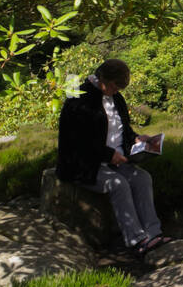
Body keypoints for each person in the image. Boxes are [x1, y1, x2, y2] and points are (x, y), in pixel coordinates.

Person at [56, 58, 170, 256]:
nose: (117, 91)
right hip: (85, 164)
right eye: (114, 86)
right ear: (102, 79)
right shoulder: (79, 100)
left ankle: (153, 233)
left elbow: (123, 129)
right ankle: (136, 240)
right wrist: (109, 155)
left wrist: (136, 139)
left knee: (143, 178)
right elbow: (78, 141)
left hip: (114, 160)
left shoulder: (116, 98)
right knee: (118, 184)